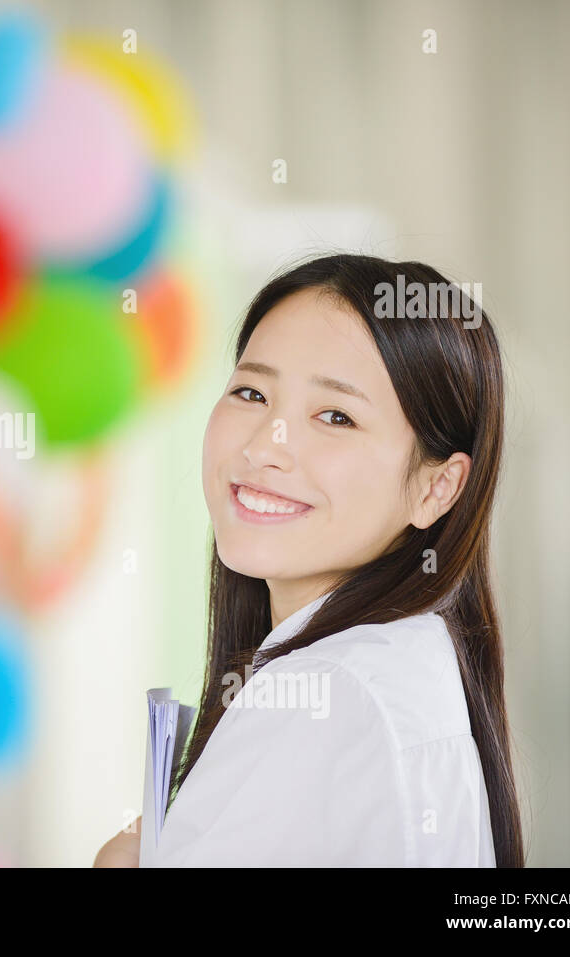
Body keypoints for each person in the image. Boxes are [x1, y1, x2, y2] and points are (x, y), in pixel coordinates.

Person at [95, 253, 523, 867]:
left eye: (335, 416)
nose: (267, 446)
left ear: (437, 487)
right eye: (251, 391)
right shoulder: (402, 663)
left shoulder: (326, 693)